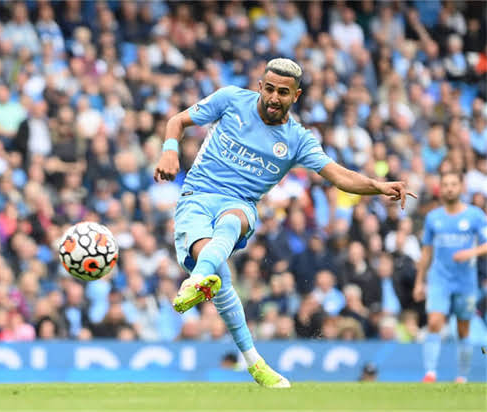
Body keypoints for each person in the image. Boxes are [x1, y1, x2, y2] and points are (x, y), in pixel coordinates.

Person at [154, 58, 416, 388]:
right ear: (259, 86)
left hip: (240, 204)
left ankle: (195, 281)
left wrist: (377, 186)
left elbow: (339, 176)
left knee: (232, 223)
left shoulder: (297, 140)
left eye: (283, 92)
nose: (274, 98)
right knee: (218, 275)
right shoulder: (231, 99)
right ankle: (254, 362)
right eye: (269, 89)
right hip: (197, 196)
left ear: (296, 95)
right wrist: (169, 151)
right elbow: (177, 120)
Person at [413, 170, 487, 383]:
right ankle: (430, 373)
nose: (449, 188)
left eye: (453, 184)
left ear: (461, 187)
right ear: (441, 189)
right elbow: (426, 252)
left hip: (465, 281)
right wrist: (419, 282)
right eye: (445, 185)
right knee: (434, 322)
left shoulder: (475, 215)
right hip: (440, 279)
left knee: (463, 329)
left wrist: (470, 253)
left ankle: (462, 376)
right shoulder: (433, 218)